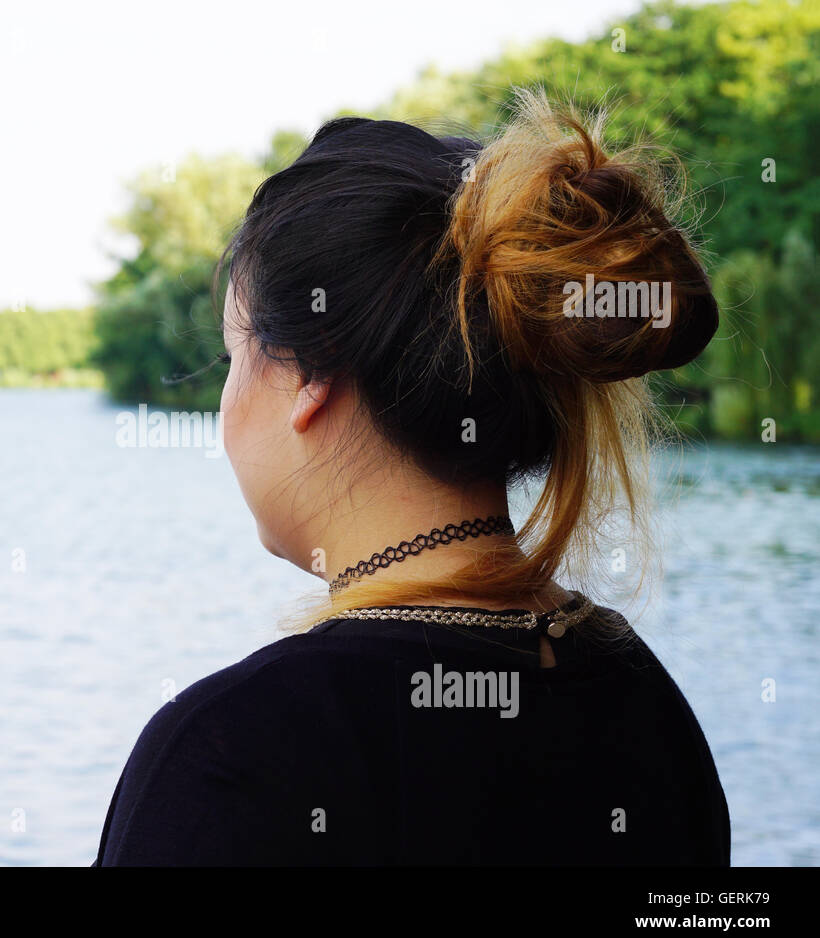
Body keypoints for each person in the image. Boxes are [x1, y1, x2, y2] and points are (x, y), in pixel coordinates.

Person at [95, 89, 730, 866]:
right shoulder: (644, 704)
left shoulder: (234, 753)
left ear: (309, 378)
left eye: (235, 356)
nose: (227, 406)